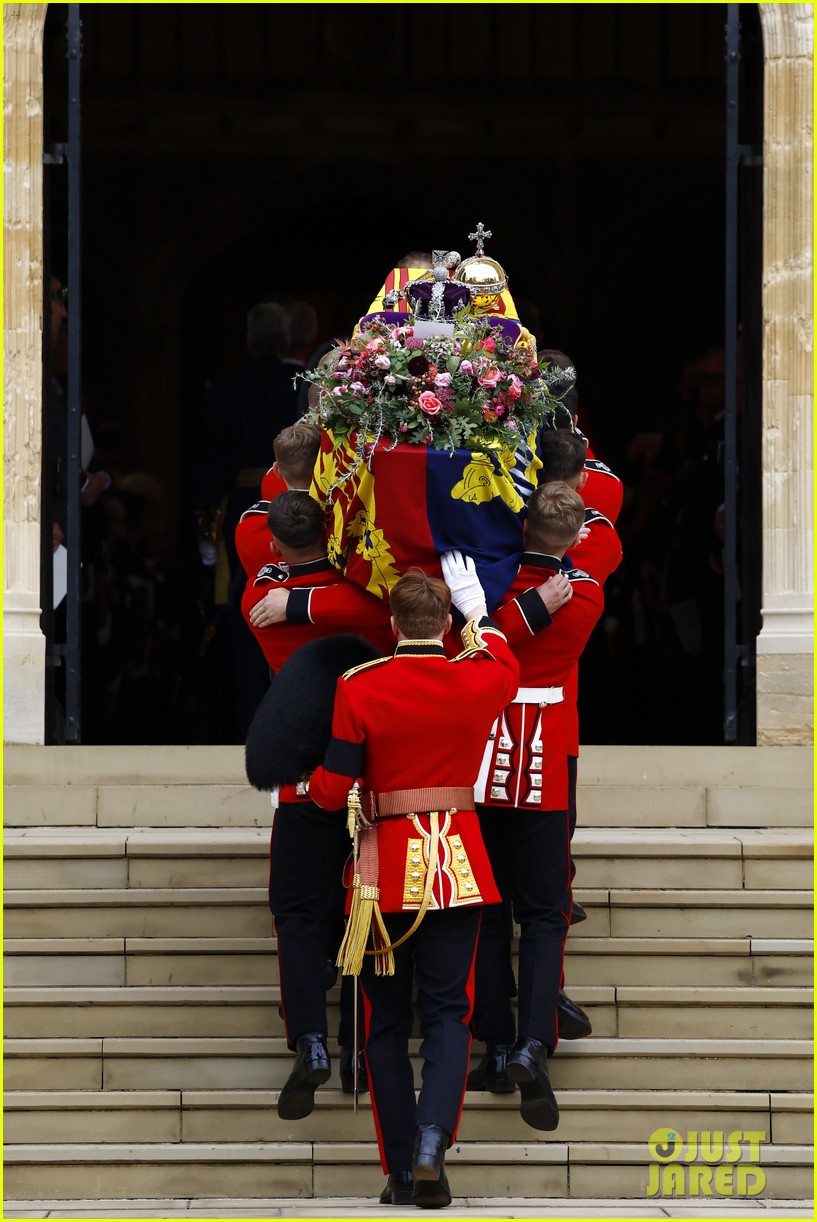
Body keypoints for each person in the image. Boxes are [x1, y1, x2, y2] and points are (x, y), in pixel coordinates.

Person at [307, 570, 520, 1208]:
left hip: (385, 874)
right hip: (457, 866)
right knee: (451, 1013)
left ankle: (402, 1170)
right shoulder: (477, 675)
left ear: (393, 627)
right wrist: (478, 612)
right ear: (446, 626)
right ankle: (434, 1139)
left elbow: (332, 785)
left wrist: (308, 781)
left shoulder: (359, 685)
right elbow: (503, 655)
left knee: (385, 1026)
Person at [445, 481, 621, 1133]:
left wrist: (497, 611)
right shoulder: (584, 587)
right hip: (541, 756)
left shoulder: (496, 584)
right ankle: (527, 1042)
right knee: (542, 914)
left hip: (490, 749)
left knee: (492, 913)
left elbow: (476, 643)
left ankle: (496, 1045)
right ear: (573, 537)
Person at [192, 299, 301, 741]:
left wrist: (204, 515)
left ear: (250, 341)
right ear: (288, 341)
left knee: (245, 611)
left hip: (243, 510)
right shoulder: (300, 384)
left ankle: (250, 727)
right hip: (301, 508)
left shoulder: (226, 387)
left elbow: (210, 459)